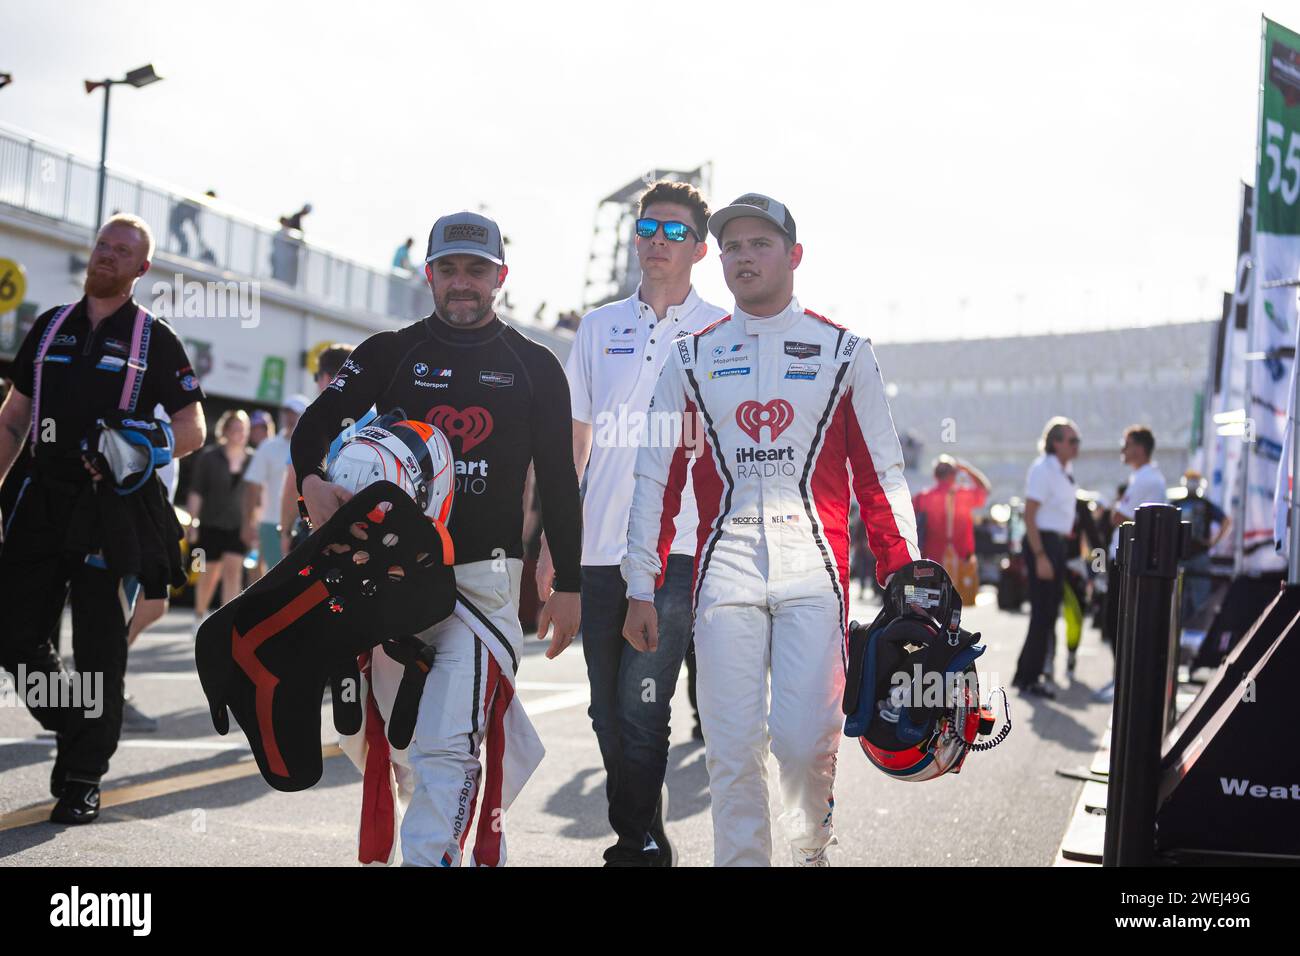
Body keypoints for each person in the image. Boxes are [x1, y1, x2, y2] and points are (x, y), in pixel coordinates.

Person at [622, 193, 919, 866]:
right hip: (722, 578)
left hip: (815, 576)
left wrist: (908, 572)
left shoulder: (845, 352)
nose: (744, 256)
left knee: (803, 741)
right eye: (732, 246)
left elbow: (883, 477)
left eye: (760, 243)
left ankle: (810, 850)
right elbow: (654, 477)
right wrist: (641, 582)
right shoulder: (690, 357)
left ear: (794, 255)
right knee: (729, 749)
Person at [290, 211, 582, 866]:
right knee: (402, 752)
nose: (461, 283)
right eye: (447, 269)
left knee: (451, 746)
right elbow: (316, 424)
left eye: (475, 270)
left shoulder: (536, 367)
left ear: (500, 277)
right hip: (392, 584)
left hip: (484, 580)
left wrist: (569, 584)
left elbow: (561, 481)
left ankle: (431, 857)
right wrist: (312, 482)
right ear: (428, 274)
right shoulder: (389, 353)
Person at [539, 180, 725, 866]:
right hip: (593, 552)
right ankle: (646, 826)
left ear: (700, 249)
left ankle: (637, 843)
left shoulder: (721, 333)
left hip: (672, 554)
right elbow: (572, 447)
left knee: (644, 707)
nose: (657, 241)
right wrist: (553, 547)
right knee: (604, 712)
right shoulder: (597, 326)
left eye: (675, 232)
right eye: (648, 228)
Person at [0, 214, 206, 823]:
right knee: (12, 637)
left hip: (109, 510)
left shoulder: (154, 339)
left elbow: (192, 427)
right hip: (39, 496)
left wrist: (148, 444)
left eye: (122, 252)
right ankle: (72, 720)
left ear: (142, 269)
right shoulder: (49, 326)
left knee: (99, 652)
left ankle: (82, 776)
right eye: (102, 246)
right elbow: (14, 419)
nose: (107, 257)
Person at [1094, 425, 1166, 703]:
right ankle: (1121, 678)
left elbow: (1118, 517)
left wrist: (1113, 510)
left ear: (1139, 447)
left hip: (1129, 560)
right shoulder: (1143, 477)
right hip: (1124, 558)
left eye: (1126, 444)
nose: (1123, 450)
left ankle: (1124, 682)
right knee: (1115, 622)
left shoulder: (1147, 479)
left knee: (1119, 622)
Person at [277, 345, 369, 557]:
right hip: (366, 534)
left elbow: (294, 482)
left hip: (320, 533)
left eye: (317, 376)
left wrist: (285, 530)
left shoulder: (315, 420)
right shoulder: (379, 417)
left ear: (327, 377)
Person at [1012, 417, 1080, 699]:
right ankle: (1028, 677)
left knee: (1049, 612)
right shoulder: (1043, 468)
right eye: (1072, 440)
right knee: (1042, 613)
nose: (1077, 446)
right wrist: (1040, 555)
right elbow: (1030, 514)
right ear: (1056, 442)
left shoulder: (1064, 470)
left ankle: (1029, 673)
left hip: (1057, 543)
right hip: (1043, 542)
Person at [187, 410, 251, 626]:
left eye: (242, 429)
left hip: (238, 526)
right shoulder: (209, 457)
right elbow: (196, 491)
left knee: (233, 572)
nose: (238, 433)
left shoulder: (252, 460)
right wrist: (193, 521)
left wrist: (254, 526)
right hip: (209, 524)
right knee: (207, 573)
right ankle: (198, 616)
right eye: (234, 428)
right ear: (224, 430)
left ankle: (225, 623)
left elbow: (259, 496)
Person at [242, 395, 305, 578]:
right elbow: (253, 486)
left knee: (297, 578)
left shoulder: (313, 446)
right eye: (287, 413)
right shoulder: (268, 447)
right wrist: (248, 522)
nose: (290, 418)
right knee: (274, 577)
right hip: (271, 523)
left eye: (294, 413)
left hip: (303, 524)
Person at [1176, 469, 1231, 626]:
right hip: (1182, 556)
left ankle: (1198, 631)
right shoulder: (1177, 503)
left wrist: (1214, 541)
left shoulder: (1206, 504)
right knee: (1179, 599)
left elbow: (1226, 521)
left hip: (1199, 555)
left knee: (1200, 599)